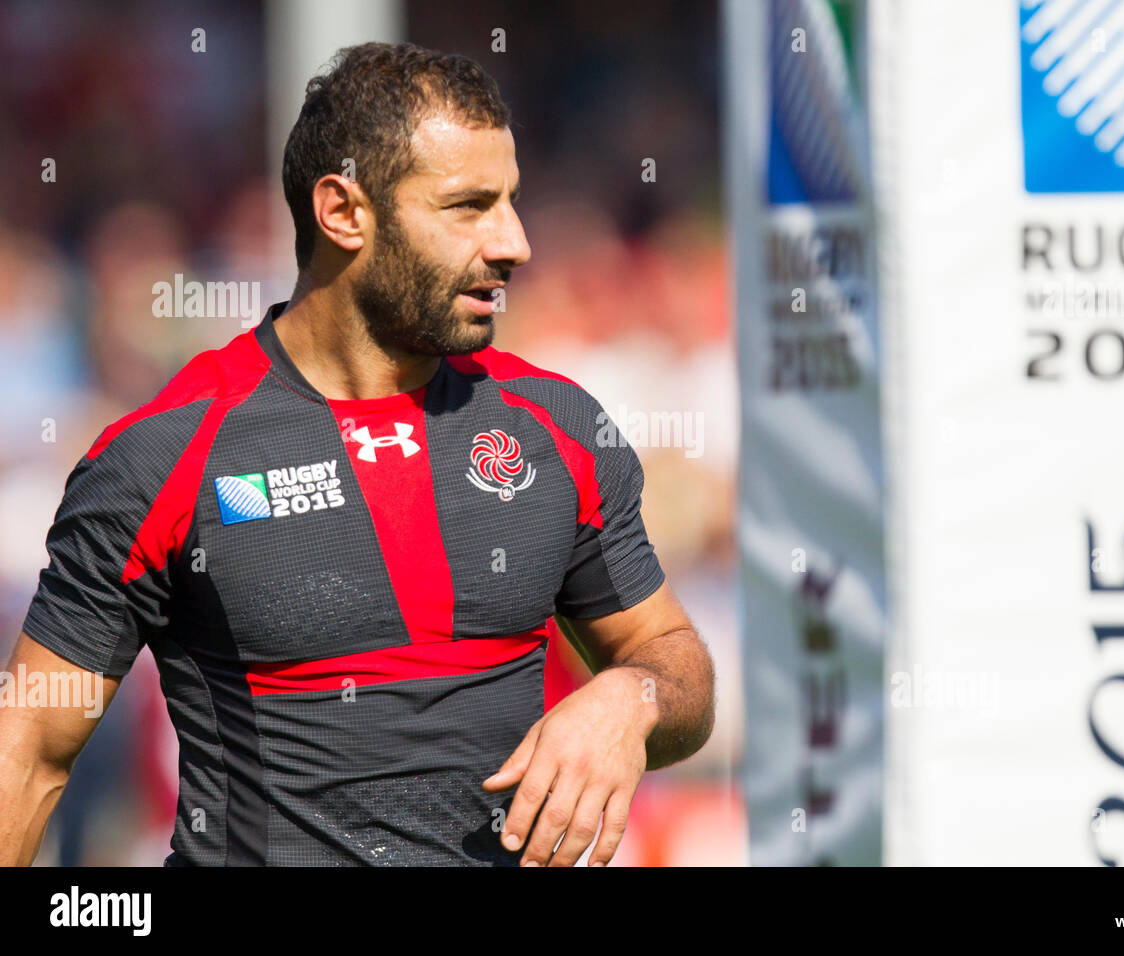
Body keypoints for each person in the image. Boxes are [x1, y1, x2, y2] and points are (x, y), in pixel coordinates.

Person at [0, 42, 715, 867]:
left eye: (512, 201)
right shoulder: (167, 456)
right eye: (468, 206)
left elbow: (675, 662)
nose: (514, 242)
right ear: (343, 212)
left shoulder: (553, 429)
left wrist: (633, 696)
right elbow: (30, 754)